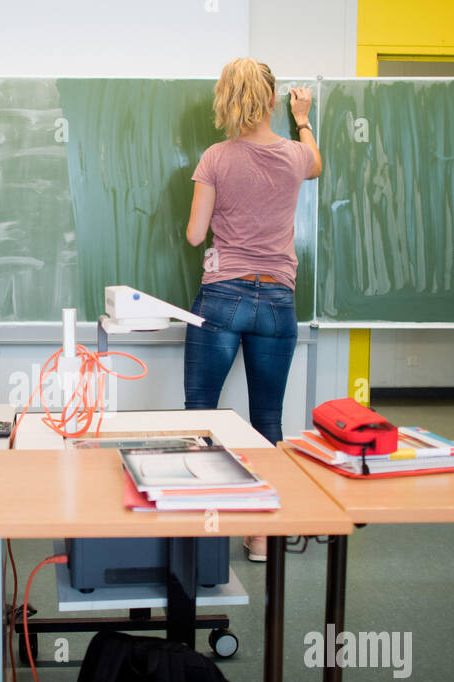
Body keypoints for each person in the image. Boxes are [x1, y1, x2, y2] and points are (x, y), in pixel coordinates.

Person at [184, 58, 322, 562]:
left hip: (222, 296)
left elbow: (196, 235)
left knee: (200, 414)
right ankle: (264, 536)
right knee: (267, 418)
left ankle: (200, 535)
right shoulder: (294, 156)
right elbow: (318, 163)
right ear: (271, 100)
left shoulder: (215, 157)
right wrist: (302, 117)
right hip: (278, 301)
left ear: (226, 100)